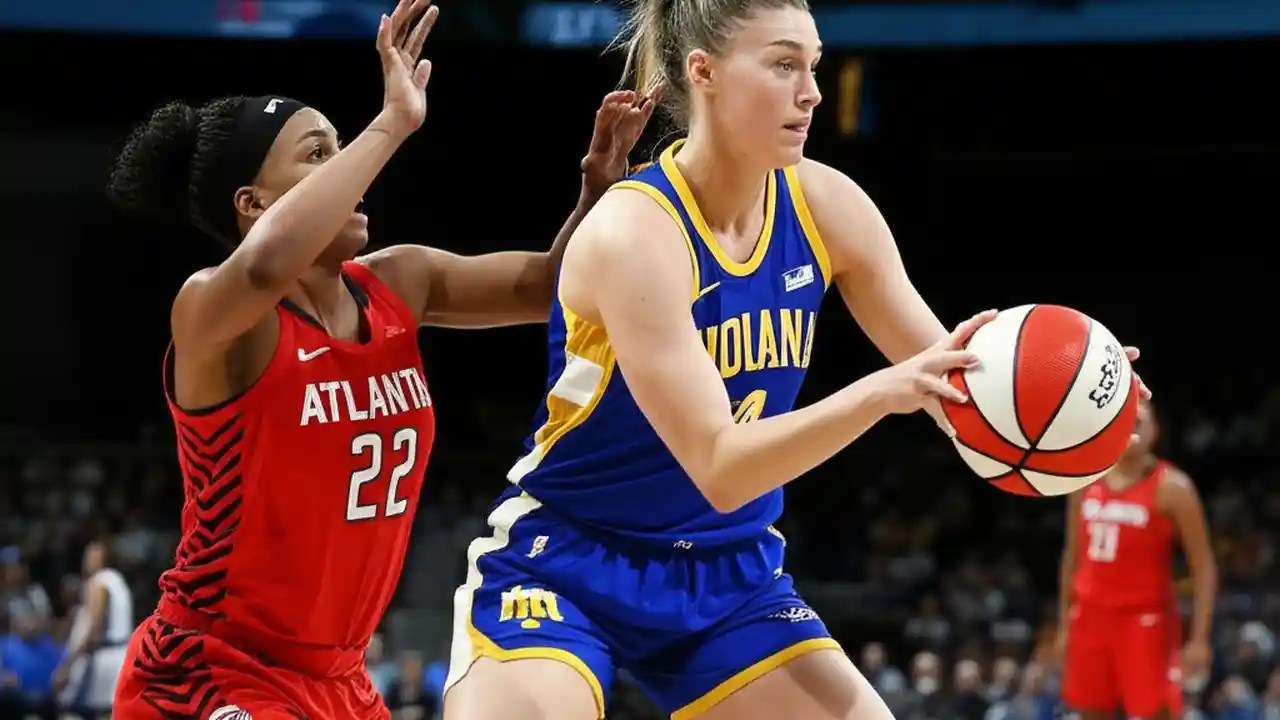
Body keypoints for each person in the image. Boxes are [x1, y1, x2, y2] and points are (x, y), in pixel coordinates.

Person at [442, 0, 1146, 718]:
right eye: (783, 65)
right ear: (704, 72)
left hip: (728, 571)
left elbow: (956, 387)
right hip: (568, 562)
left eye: (812, 66)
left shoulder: (827, 204)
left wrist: (1074, 388)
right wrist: (880, 393)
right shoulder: (635, 231)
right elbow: (720, 465)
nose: (809, 91)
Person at [104, 1, 654, 718]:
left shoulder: (398, 282)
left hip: (339, 679)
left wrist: (595, 186)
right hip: (215, 668)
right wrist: (392, 121)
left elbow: (554, 287)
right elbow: (268, 265)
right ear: (252, 202)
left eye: (343, 148)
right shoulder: (215, 311)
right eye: (317, 155)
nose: (352, 169)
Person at [1057, 398, 1216, 720]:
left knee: (1155, 713)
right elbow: (1071, 558)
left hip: (1144, 619)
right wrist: (1064, 626)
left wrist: (1199, 639)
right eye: (1125, 421)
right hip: (1089, 616)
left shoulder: (1173, 488)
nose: (1133, 427)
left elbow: (1204, 568)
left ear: (1155, 430)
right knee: (1091, 712)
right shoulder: (1084, 480)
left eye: (1140, 422)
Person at [51, 539, 134, 719]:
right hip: (121, 655)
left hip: (103, 661)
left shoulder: (99, 582)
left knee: (74, 710)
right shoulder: (119, 582)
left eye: (93, 556)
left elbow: (93, 628)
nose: (88, 560)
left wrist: (68, 665)